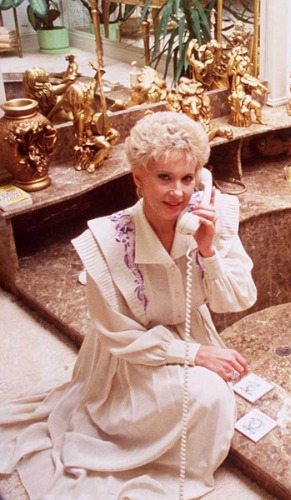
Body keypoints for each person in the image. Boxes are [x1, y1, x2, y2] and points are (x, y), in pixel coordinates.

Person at [0, 111, 257, 499]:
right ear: (138, 178)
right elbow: (118, 336)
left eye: (187, 179)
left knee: (213, 395)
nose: (178, 193)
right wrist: (195, 354)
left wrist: (208, 252)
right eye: (164, 177)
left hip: (186, 333)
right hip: (132, 354)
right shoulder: (106, 243)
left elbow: (240, 298)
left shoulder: (210, 219)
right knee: (209, 395)